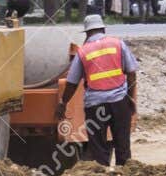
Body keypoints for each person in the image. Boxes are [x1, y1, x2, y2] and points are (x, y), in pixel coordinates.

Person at [56, 12, 138, 167]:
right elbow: (131, 73)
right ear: (103, 29)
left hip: (95, 106)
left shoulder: (83, 51)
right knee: (123, 145)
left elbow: (72, 83)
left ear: (87, 33)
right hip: (120, 102)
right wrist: (130, 98)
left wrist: (63, 103)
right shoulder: (118, 44)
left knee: (98, 149)